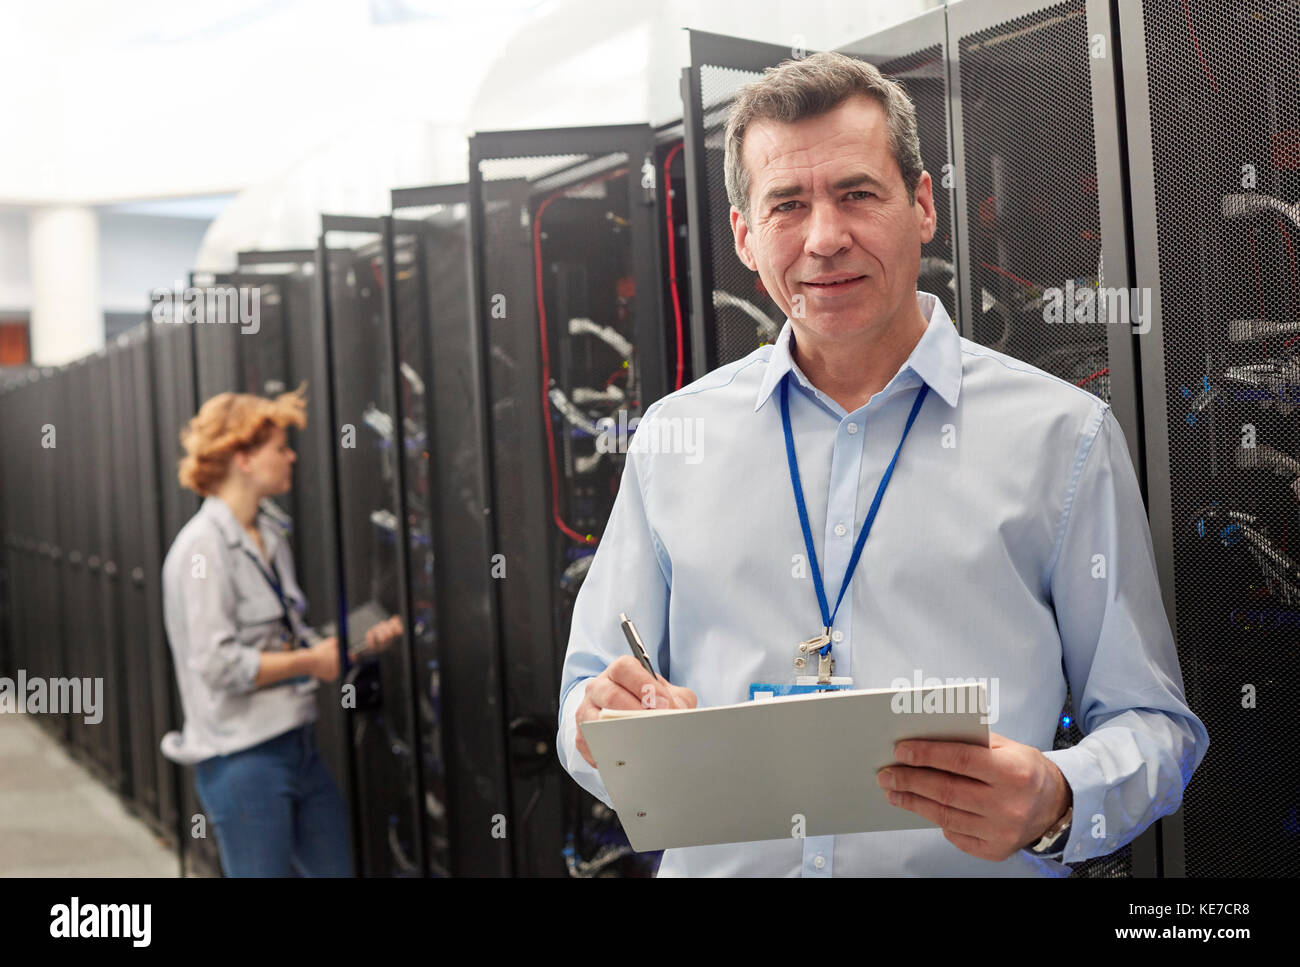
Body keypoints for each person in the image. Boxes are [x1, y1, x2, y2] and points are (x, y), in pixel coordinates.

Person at [556, 51, 1209, 876]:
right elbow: (584, 701)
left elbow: (1157, 727)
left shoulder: (1062, 437)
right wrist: (602, 720)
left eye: (857, 193)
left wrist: (1056, 795)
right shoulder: (671, 441)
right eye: (787, 205)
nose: (826, 238)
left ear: (923, 204)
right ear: (746, 237)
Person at [160, 385, 401, 877]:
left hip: (297, 745)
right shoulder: (203, 551)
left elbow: (285, 641)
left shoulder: (269, 536)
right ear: (243, 457)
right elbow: (218, 664)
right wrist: (310, 662)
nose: (291, 456)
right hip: (241, 760)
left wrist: (350, 646)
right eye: (279, 447)